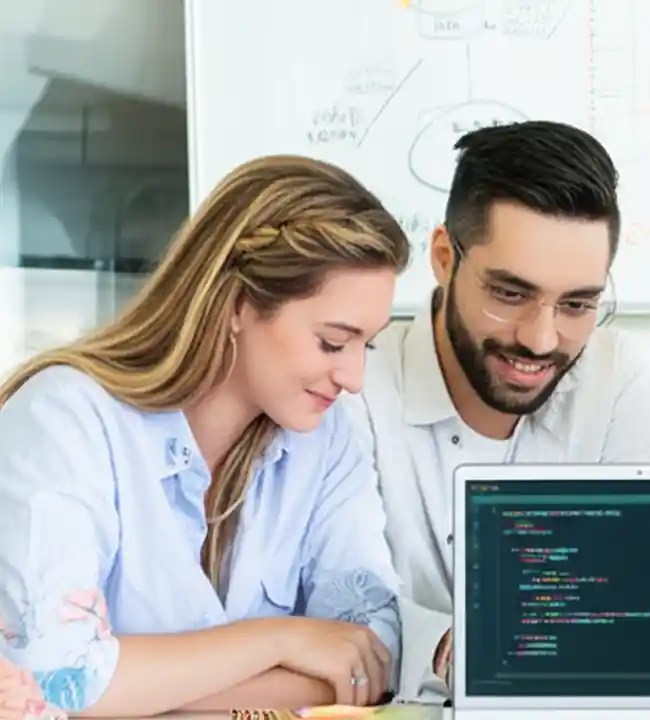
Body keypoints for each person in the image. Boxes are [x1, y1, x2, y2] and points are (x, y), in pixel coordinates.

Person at [0, 155, 411, 716]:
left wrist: (140, 690)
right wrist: (281, 640)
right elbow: (55, 677)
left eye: (369, 344)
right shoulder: (64, 418)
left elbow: (371, 651)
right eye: (333, 342)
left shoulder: (327, 436)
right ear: (237, 304)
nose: (354, 378)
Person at [342, 120, 650, 698]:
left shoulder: (615, 378)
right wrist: (459, 651)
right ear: (445, 258)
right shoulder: (354, 390)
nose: (542, 339)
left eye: (576, 304)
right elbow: (338, 613)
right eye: (510, 294)